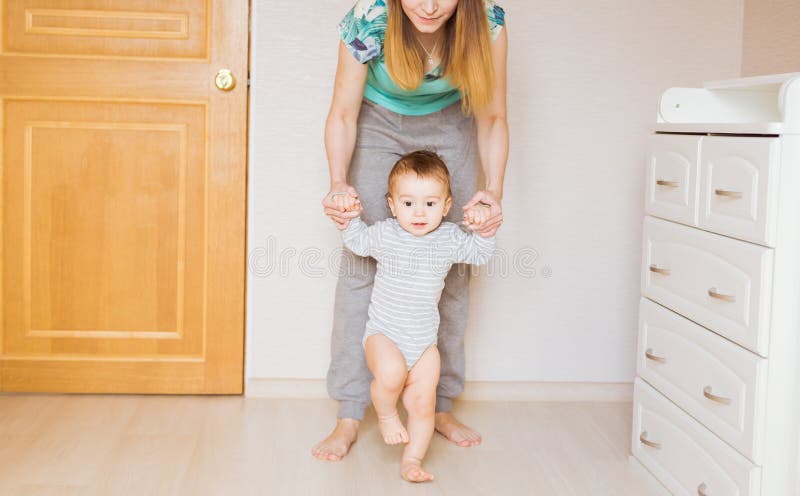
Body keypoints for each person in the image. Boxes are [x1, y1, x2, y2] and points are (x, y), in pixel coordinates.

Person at [313, 0, 509, 462]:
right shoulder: (370, 20)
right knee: (363, 262)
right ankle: (349, 411)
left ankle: (436, 406)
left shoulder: (489, 24)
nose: (428, 5)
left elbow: (494, 116)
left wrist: (493, 190)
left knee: (453, 264)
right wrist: (339, 182)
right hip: (378, 121)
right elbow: (342, 113)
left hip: (453, 120)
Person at [339, 150, 495, 481]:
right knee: (392, 372)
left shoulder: (450, 238)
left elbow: (479, 254)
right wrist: (350, 216)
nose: (419, 213)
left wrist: (485, 228)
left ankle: (412, 460)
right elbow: (357, 241)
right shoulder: (385, 233)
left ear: (447, 205)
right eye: (408, 204)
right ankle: (384, 414)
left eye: (430, 203)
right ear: (393, 206)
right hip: (383, 334)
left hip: (424, 343)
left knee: (423, 403)